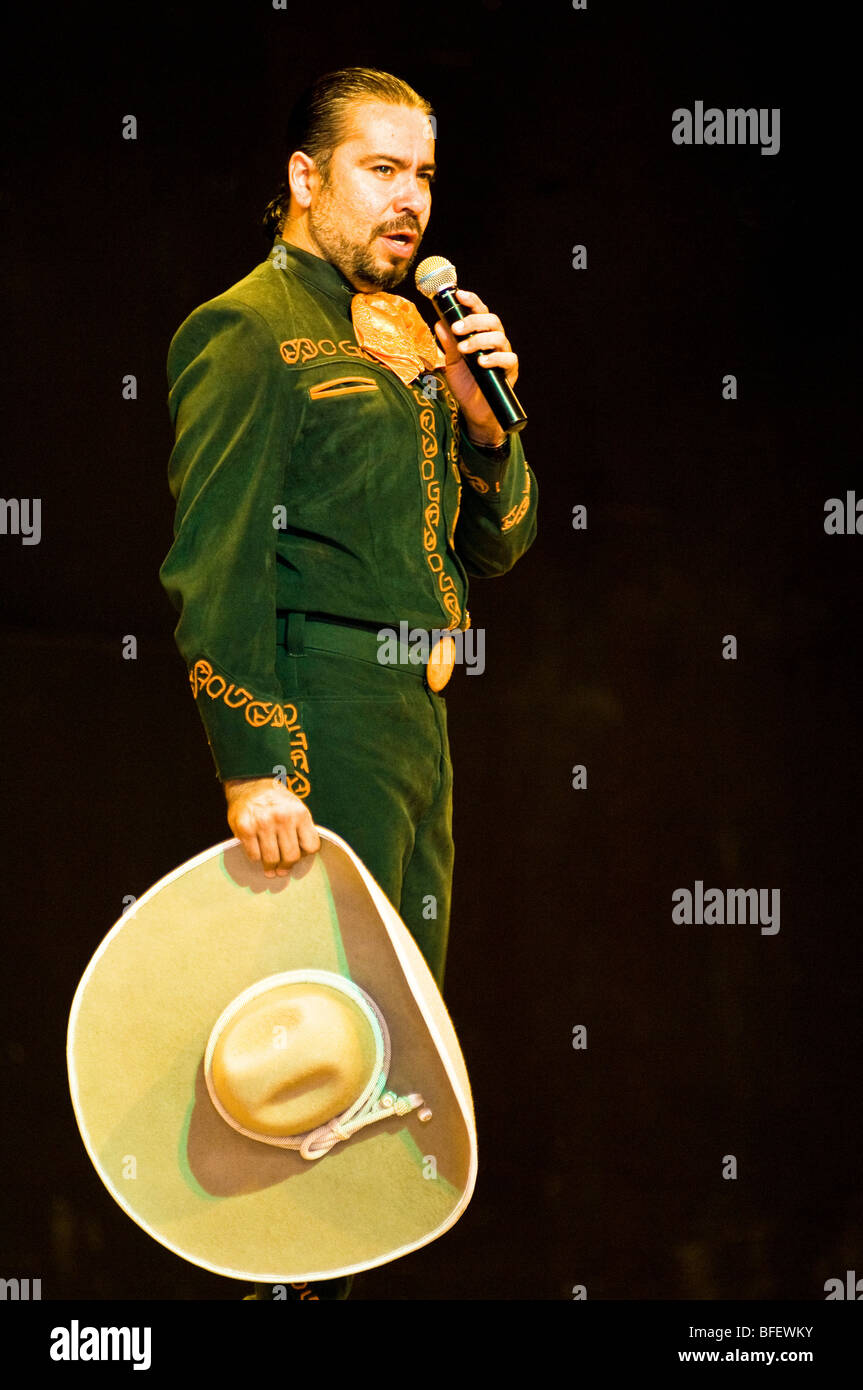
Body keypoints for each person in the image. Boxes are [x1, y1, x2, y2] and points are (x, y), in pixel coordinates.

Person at [159, 66, 538, 1299]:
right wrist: (255, 765)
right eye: (380, 168)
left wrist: (490, 427)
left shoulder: (418, 331)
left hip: (415, 718)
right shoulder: (248, 328)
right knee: (329, 1036)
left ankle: (339, 1282)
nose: (410, 198)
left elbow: (493, 548)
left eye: (423, 172)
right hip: (319, 711)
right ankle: (288, 1281)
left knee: (399, 1049)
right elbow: (214, 562)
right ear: (303, 178)